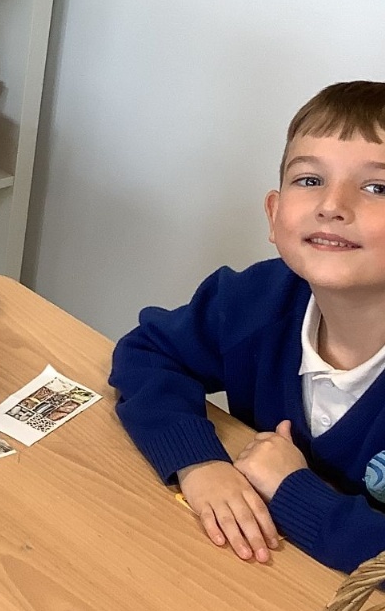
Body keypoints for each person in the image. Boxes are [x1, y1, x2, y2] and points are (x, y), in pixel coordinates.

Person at [111, 81, 385, 574]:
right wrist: (198, 463)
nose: (332, 205)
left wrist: (290, 491)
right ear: (274, 213)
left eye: (376, 187)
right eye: (309, 180)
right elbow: (148, 353)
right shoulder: (257, 299)